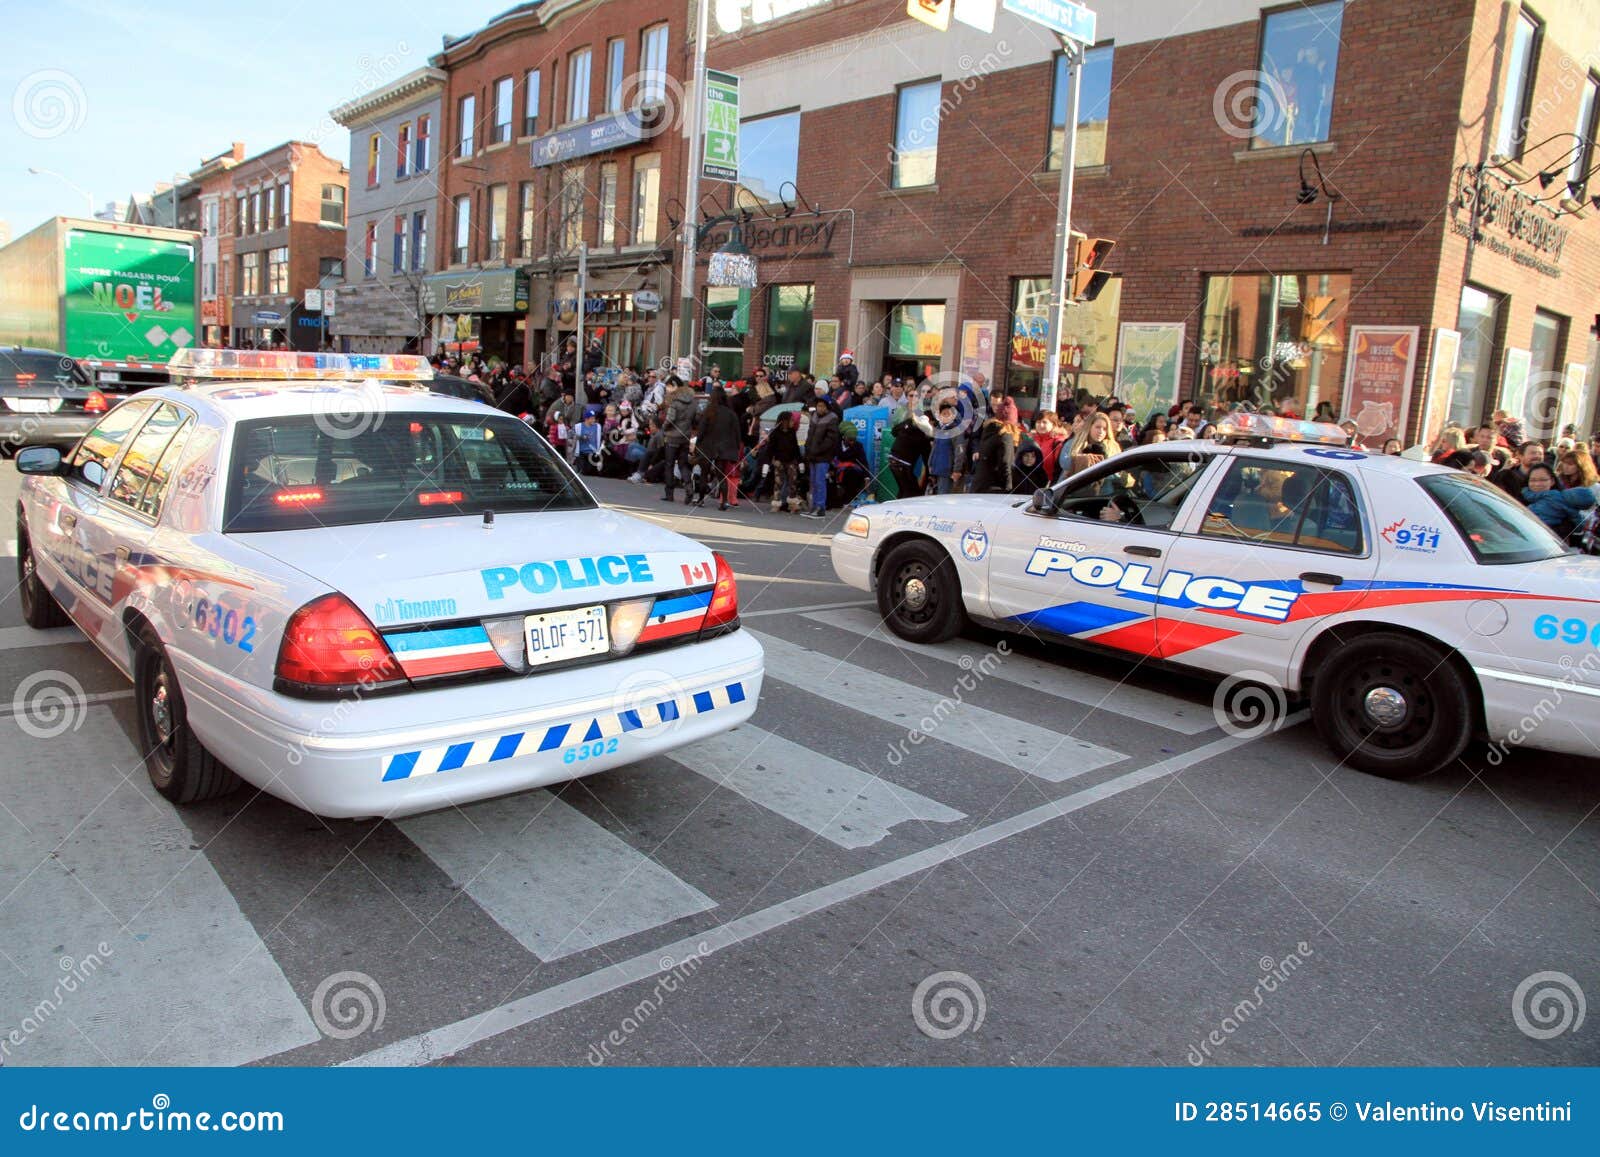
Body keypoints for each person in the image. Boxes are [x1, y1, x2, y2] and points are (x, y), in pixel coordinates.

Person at [696, 386, 743, 510]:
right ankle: (724, 502)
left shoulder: (709, 411)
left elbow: (701, 431)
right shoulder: (731, 414)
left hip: (708, 446)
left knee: (704, 474)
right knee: (722, 475)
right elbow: (737, 433)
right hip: (724, 447)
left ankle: (701, 500)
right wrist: (737, 447)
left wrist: (697, 444)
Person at [1522, 463, 1595, 536]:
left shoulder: (1553, 494)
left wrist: (1524, 491)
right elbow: (1578, 521)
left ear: (1552, 481)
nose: (1537, 484)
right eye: (1532, 480)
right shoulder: (1518, 498)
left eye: (1543, 480)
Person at [659, 376, 699, 503]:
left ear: (673, 385)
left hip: (672, 437)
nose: (667, 389)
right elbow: (696, 419)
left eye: (668, 386)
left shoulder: (674, 401)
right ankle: (689, 489)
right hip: (685, 436)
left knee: (669, 465)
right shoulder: (693, 401)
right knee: (683, 465)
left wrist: (663, 428)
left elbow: (670, 419)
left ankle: (669, 494)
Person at [801, 397, 840, 518]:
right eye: (818, 406)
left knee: (820, 481)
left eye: (822, 406)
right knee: (813, 482)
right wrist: (808, 449)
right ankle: (813, 507)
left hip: (823, 456)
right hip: (812, 455)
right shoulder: (814, 417)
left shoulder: (832, 418)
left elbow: (831, 440)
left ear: (827, 407)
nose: (820, 408)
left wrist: (817, 450)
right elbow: (809, 435)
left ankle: (820, 508)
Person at [971, 397, 1021, 493]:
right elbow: (1005, 464)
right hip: (995, 488)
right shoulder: (1005, 435)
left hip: (981, 484)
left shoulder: (990, 430)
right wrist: (1008, 488)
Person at [887, 408, 933, 499]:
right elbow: (927, 458)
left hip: (893, 459)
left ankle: (895, 507)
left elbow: (894, 431)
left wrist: (903, 436)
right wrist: (931, 474)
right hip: (903, 464)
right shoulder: (923, 436)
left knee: (904, 489)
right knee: (912, 491)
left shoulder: (908, 423)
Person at [1062, 411, 1120, 477]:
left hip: (1104, 486)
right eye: (1097, 427)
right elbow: (1064, 463)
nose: (1101, 431)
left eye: (1104, 429)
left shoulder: (1111, 447)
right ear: (1089, 427)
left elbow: (1114, 473)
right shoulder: (1074, 443)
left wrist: (1085, 462)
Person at [767, 410, 803, 512]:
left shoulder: (792, 432)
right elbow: (770, 449)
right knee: (778, 483)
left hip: (791, 460)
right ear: (784, 421)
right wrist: (771, 460)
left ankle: (792, 504)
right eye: (791, 420)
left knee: (793, 482)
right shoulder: (775, 433)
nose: (793, 422)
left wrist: (800, 461)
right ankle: (776, 504)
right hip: (779, 461)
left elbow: (796, 448)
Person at [927, 400, 963, 495]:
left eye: (948, 414)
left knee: (944, 497)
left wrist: (956, 470)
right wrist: (930, 463)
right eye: (943, 413)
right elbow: (934, 448)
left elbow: (959, 452)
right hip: (936, 470)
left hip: (947, 472)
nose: (946, 416)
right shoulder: (939, 429)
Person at [1031, 411, 1067, 483]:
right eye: (1038, 422)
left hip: (1050, 485)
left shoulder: (1058, 442)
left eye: (1044, 422)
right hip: (1031, 483)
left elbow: (1062, 468)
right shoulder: (1032, 439)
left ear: (1053, 424)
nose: (1041, 425)